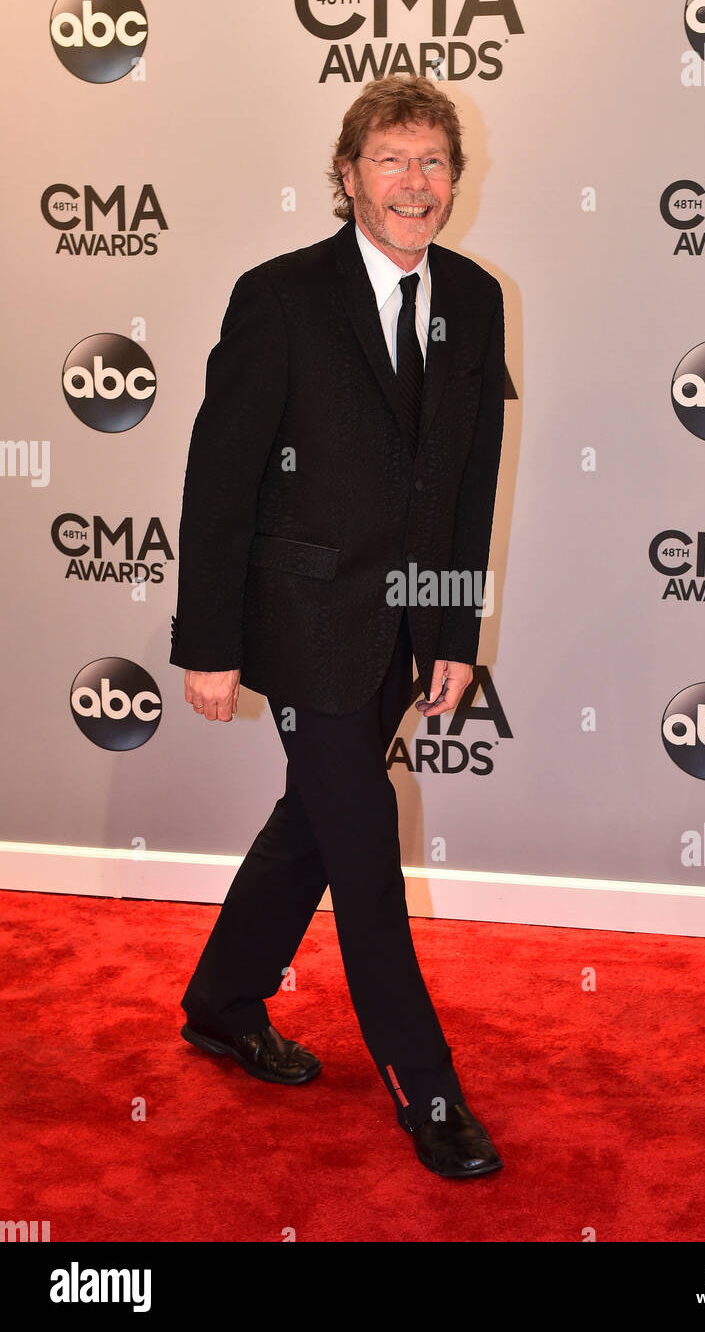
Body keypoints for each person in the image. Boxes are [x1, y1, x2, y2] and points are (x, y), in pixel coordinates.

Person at [169, 75, 506, 1179]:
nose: (414, 184)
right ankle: (428, 1088)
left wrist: (452, 627)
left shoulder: (473, 296)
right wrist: (208, 642)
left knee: (312, 826)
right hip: (304, 623)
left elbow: (464, 482)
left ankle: (222, 999)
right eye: (390, 160)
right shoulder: (280, 297)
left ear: (451, 178)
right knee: (364, 855)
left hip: (402, 629)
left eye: (432, 163)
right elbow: (220, 482)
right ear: (348, 174)